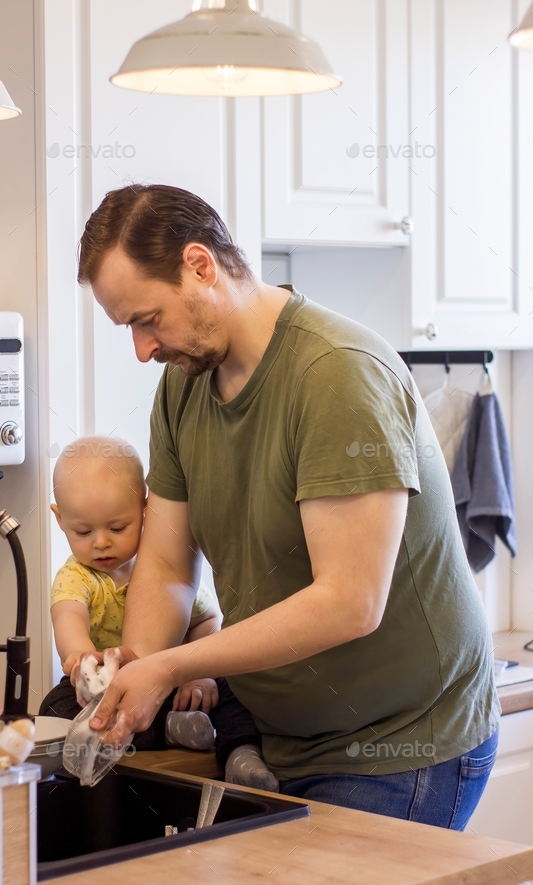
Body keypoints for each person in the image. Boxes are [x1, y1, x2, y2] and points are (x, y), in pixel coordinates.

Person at [74, 183, 500, 830]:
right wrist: (131, 676)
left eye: (146, 318)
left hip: (401, 745)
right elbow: (164, 563)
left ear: (200, 266)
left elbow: (350, 601)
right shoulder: (183, 387)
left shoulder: (335, 375)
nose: (142, 347)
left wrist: (173, 664)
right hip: (288, 739)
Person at [39, 435, 279, 790]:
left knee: (235, 687)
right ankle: (172, 729)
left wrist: (198, 676)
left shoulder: (160, 566)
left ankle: (241, 754)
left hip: (174, 684)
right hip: (107, 694)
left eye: (117, 528)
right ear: (60, 519)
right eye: (83, 531)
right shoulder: (77, 578)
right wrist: (80, 663)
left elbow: (207, 622)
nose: (101, 542)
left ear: (146, 509)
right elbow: (68, 621)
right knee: (55, 708)